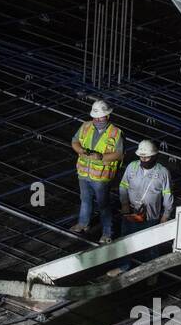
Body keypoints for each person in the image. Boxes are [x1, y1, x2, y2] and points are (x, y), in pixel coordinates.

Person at [70, 100, 124, 244]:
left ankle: (107, 233)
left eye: (101, 117)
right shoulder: (85, 126)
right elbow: (74, 141)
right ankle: (83, 224)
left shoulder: (115, 133)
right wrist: (80, 150)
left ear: (107, 116)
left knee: (103, 205)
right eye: (96, 117)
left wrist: (101, 157)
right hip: (83, 173)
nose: (98, 120)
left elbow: (119, 154)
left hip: (101, 177)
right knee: (85, 200)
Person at [117, 140, 175, 270]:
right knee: (124, 241)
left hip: (151, 216)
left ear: (154, 156)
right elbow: (123, 186)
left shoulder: (163, 173)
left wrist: (165, 215)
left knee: (151, 245)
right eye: (141, 157)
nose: (144, 159)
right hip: (130, 212)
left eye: (147, 157)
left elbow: (167, 194)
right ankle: (123, 267)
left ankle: (152, 271)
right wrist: (124, 204)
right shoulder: (132, 167)